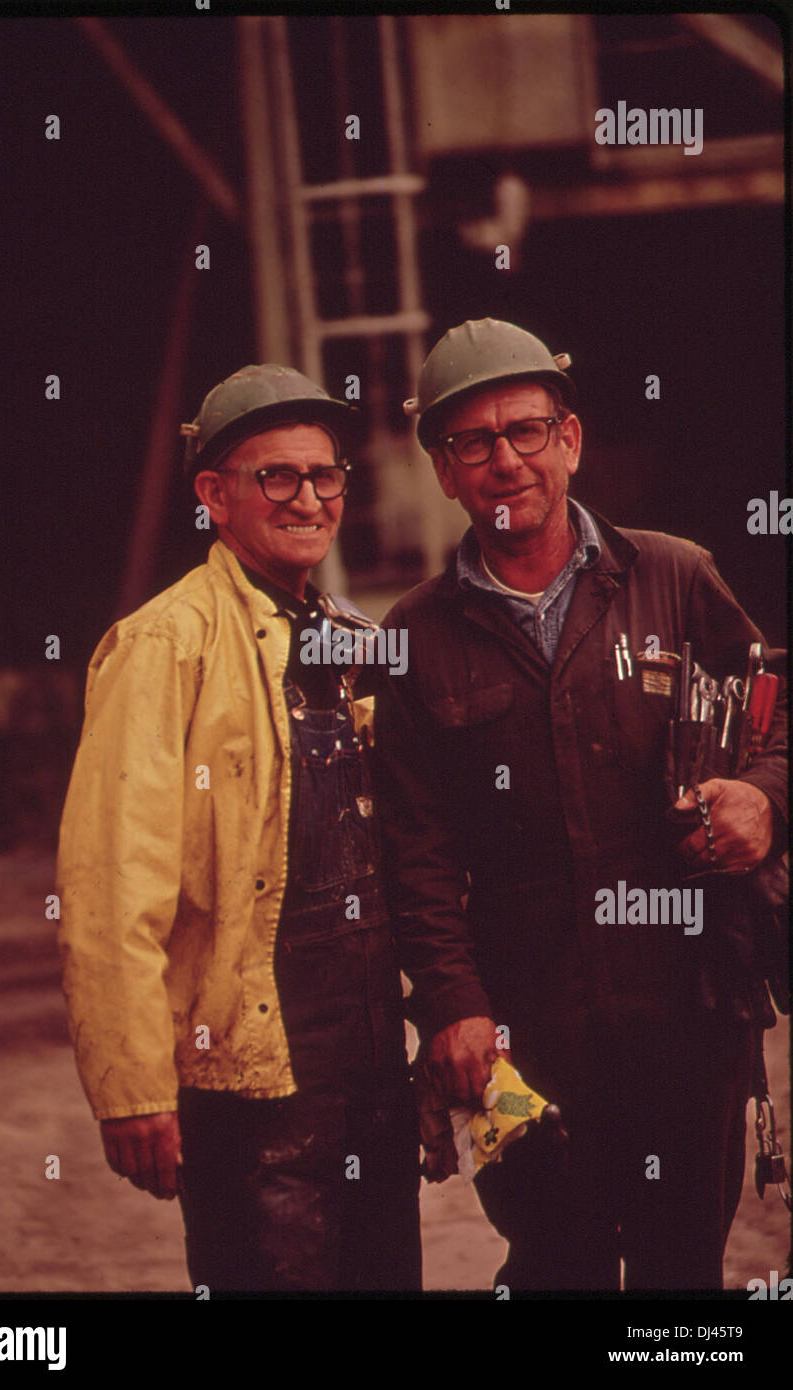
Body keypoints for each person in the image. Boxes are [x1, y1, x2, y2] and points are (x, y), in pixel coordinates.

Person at [374, 318, 787, 1291]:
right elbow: (413, 847)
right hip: (526, 1034)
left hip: (687, 1014)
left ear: (568, 439)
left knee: (679, 1271)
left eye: (523, 431)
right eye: (471, 442)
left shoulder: (672, 577)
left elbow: (777, 712)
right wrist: (452, 1006)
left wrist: (764, 799)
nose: (502, 461)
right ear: (441, 467)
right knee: (552, 1265)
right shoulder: (417, 636)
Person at [57, 364, 421, 1294]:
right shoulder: (163, 646)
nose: (308, 497)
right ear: (214, 498)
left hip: (371, 1078)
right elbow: (109, 883)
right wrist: (133, 1089)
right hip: (247, 1086)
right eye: (276, 477)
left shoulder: (350, 639)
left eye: (324, 474)